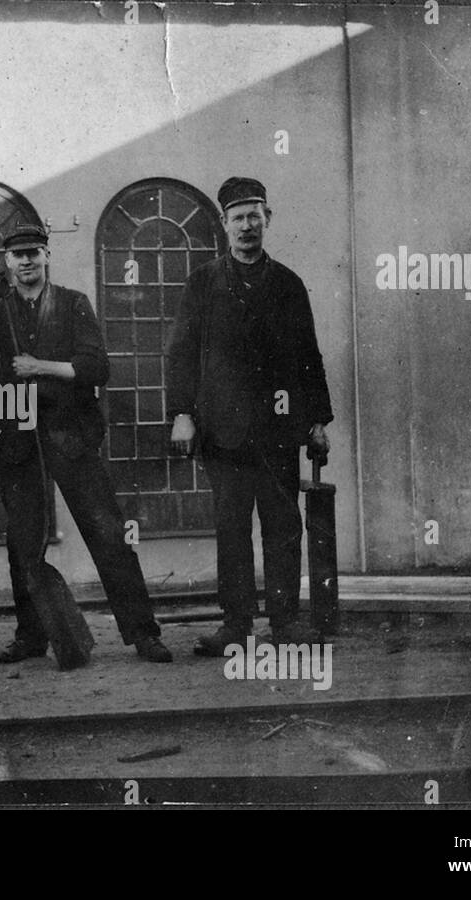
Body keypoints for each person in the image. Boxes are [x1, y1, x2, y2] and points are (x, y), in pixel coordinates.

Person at [0, 223, 173, 664]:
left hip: (70, 435)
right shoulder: (0, 309)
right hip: (19, 439)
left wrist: (42, 367)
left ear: (47, 255)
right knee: (23, 541)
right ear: (7, 263)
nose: (27, 261)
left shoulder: (73, 304)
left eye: (34, 252)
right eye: (18, 255)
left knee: (107, 533)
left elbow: (97, 368)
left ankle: (144, 633)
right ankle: (32, 637)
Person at [165, 177, 333, 655]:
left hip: (279, 432)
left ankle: (285, 622)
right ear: (224, 224)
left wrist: (317, 420)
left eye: (254, 216)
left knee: (283, 526)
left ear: (267, 219)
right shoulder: (203, 284)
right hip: (223, 432)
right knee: (231, 529)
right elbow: (181, 354)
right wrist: (181, 413)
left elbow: (309, 357)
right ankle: (236, 625)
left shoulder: (288, 284)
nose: (246, 226)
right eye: (237, 217)